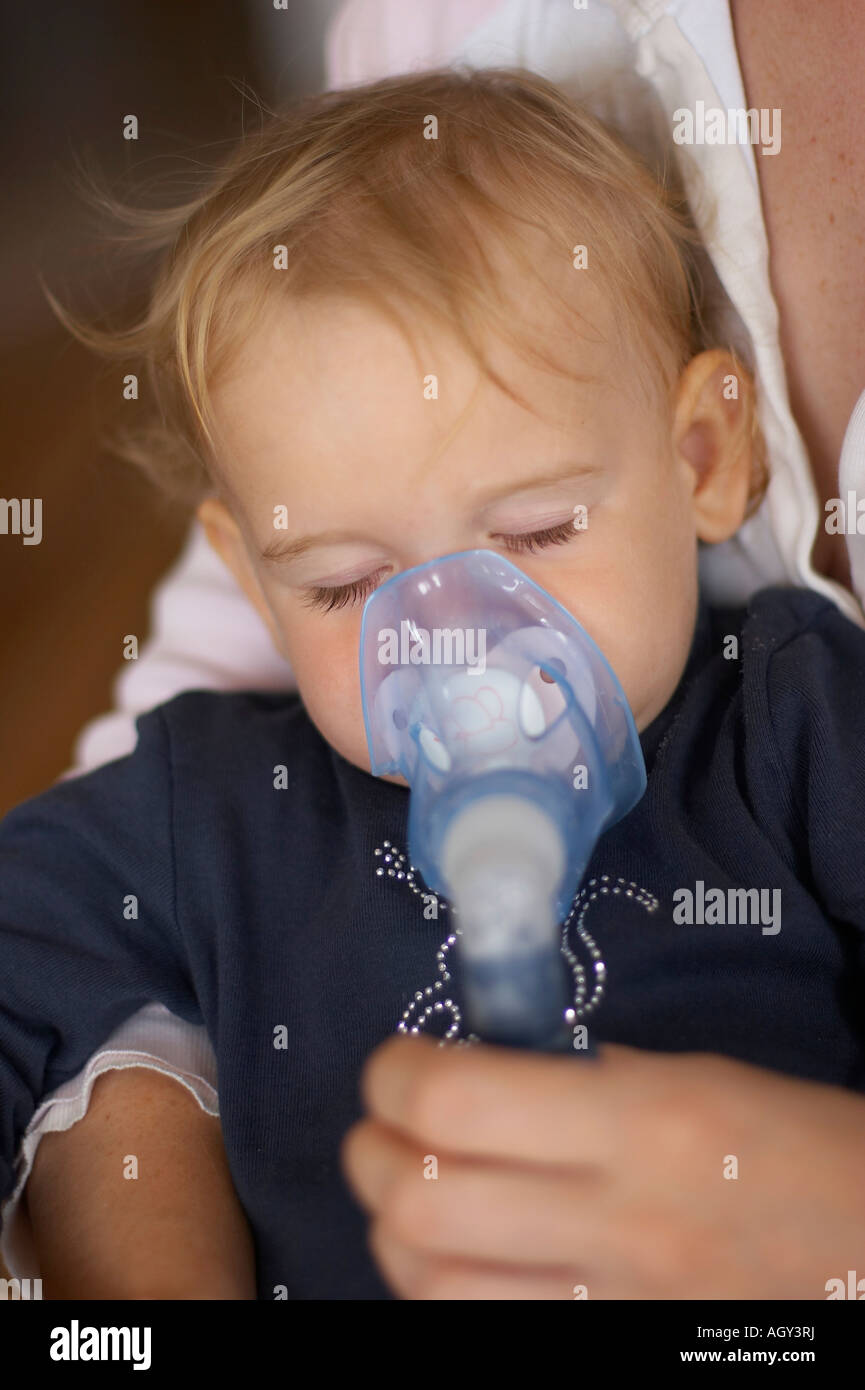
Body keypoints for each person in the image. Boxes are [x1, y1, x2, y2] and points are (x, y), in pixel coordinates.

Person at [2, 66, 865, 1300]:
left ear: (702, 458)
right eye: (350, 587)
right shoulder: (224, 804)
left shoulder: (787, 722)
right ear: (256, 585)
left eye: (534, 533)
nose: (454, 642)